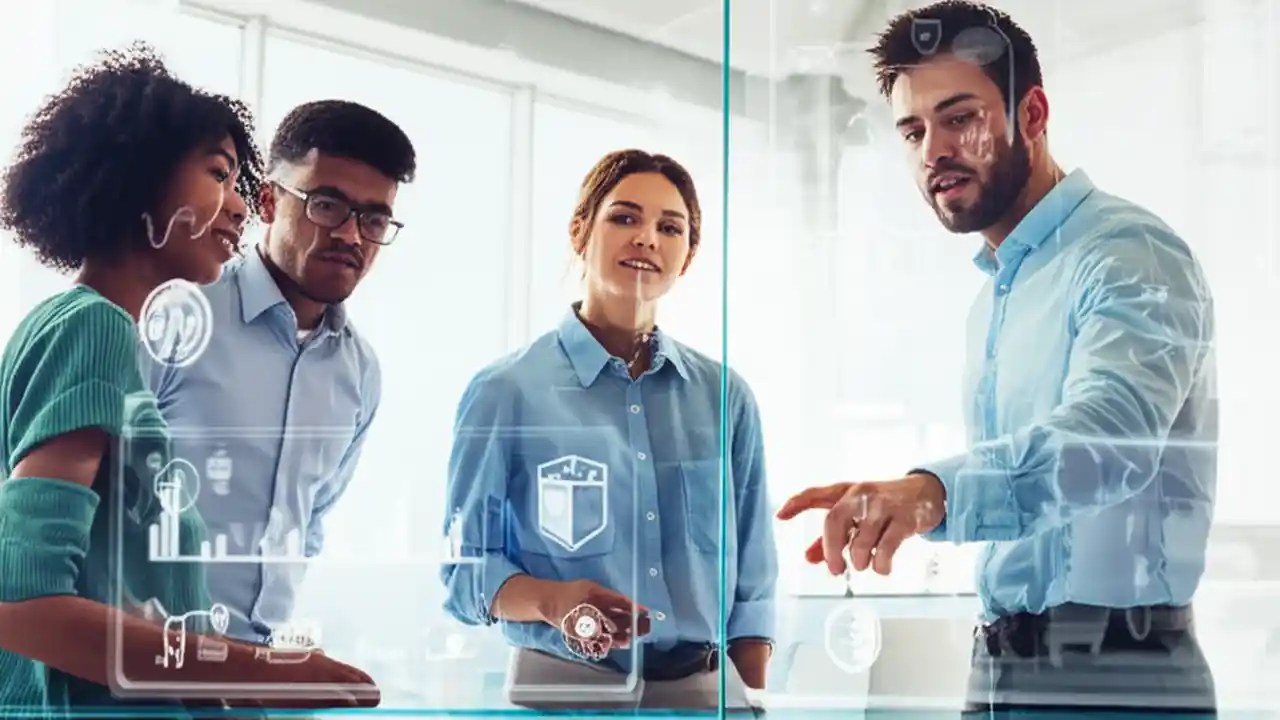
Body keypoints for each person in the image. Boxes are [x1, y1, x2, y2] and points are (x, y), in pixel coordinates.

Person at [776, 1, 1217, 716]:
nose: (933, 151)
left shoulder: (1126, 254)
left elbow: (1110, 438)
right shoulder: (994, 299)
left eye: (960, 118)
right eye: (913, 130)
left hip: (1118, 679)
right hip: (1001, 671)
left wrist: (931, 493)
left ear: (1033, 114)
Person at [0, 43, 378, 715]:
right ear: (139, 178)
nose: (238, 208)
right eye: (218, 175)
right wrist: (261, 673)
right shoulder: (95, 330)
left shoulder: (89, 326)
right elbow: (22, 603)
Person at [440, 149, 777, 709]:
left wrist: (752, 702)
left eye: (671, 228)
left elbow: (754, 587)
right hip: (562, 689)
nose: (647, 238)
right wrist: (555, 601)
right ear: (580, 232)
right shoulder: (506, 392)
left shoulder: (726, 398)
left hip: (704, 693)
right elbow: (465, 573)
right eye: (625, 217)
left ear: (687, 257)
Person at [139, 99, 415, 644]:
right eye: (327, 206)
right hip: (139, 664)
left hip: (257, 674)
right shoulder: (175, 313)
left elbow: (307, 524)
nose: (352, 236)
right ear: (267, 200)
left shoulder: (360, 374)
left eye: (375, 218)